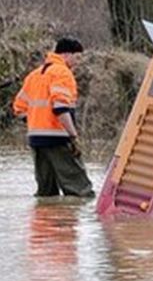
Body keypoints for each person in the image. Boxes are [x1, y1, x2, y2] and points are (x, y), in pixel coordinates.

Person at [11, 38, 94, 197]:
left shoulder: (34, 75)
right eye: (77, 58)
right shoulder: (63, 73)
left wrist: (36, 121)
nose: (77, 63)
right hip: (58, 138)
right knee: (80, 191)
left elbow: (18, 108)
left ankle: (45, 220)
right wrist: (73, 136)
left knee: (46, 193)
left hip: (36, 139)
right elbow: (61, 108)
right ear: (67, 55)